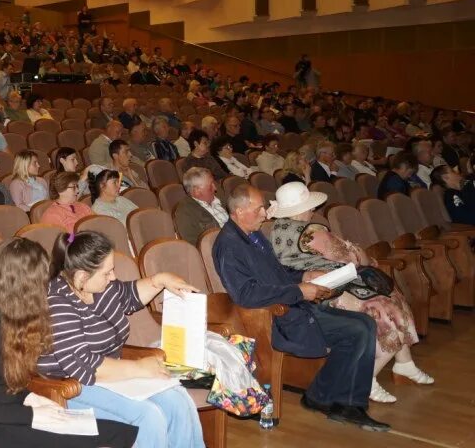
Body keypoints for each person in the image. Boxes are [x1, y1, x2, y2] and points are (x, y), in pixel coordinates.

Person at [213, 184, 389, 432]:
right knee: (357, 330)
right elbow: (246, 294)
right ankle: (336, 400)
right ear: (240, 211)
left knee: (365, 324)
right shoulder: (229, 245)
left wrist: (304, 275)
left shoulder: (252, 234)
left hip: (294, 304)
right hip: (277, 318)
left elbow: (275, 273)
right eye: (259, 208)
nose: (265, 214)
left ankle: (333, 398)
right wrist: (298, 291)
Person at [0, 236, 137, 448]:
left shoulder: (19, 318)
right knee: (108, 436)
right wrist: (30, 414)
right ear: (23, 287)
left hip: (13, 414)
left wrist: (31, 397)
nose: (47, 287)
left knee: (118, 432)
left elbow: (2, 385)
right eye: (41, 281)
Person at [267, 181, 430, 403]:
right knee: (387, 308)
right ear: (301, 209)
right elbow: (352, 256)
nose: (313, 210)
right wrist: (366, 257)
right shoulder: (312, 231)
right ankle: (367, 378)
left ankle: (404, 364)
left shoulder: (278, 227)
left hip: (320, 285)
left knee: (392, 297)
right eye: (310, 206)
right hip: (329, 290)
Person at [38, 230, 203, 448]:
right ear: (81, 277)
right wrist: (140, 368)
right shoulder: (57, 303)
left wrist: (159, 280)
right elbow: (84, 366)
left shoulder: (100, 288)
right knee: (148, 417)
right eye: (107, 273)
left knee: (178, 401)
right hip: (69, 386)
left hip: (111, 377)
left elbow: (128, 294)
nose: (113, 277)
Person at [173, 167, 229, 242]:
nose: (215, 188)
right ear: (197, 191)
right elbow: (194, 244)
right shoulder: (185, 211)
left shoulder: (221, 197)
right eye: (211, 185)